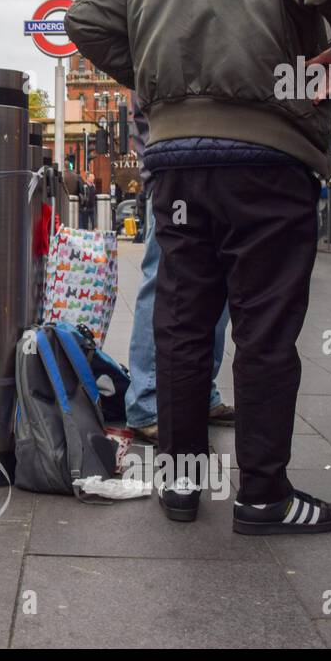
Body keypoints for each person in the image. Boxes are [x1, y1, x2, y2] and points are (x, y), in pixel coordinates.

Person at [66, 0, 331, 535]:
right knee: (264, 329)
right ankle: (263, 496)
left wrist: (151, 78)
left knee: (180, 323)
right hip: (265, 158)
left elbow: (84, 18)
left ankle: (181, 488)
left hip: (175, 160)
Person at [123, 94, 235, 444]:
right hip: (173, 163)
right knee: (164, 279)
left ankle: (201, 392)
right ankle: (147, 403)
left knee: (218, 284)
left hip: (221, 161)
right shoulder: (161, 39)